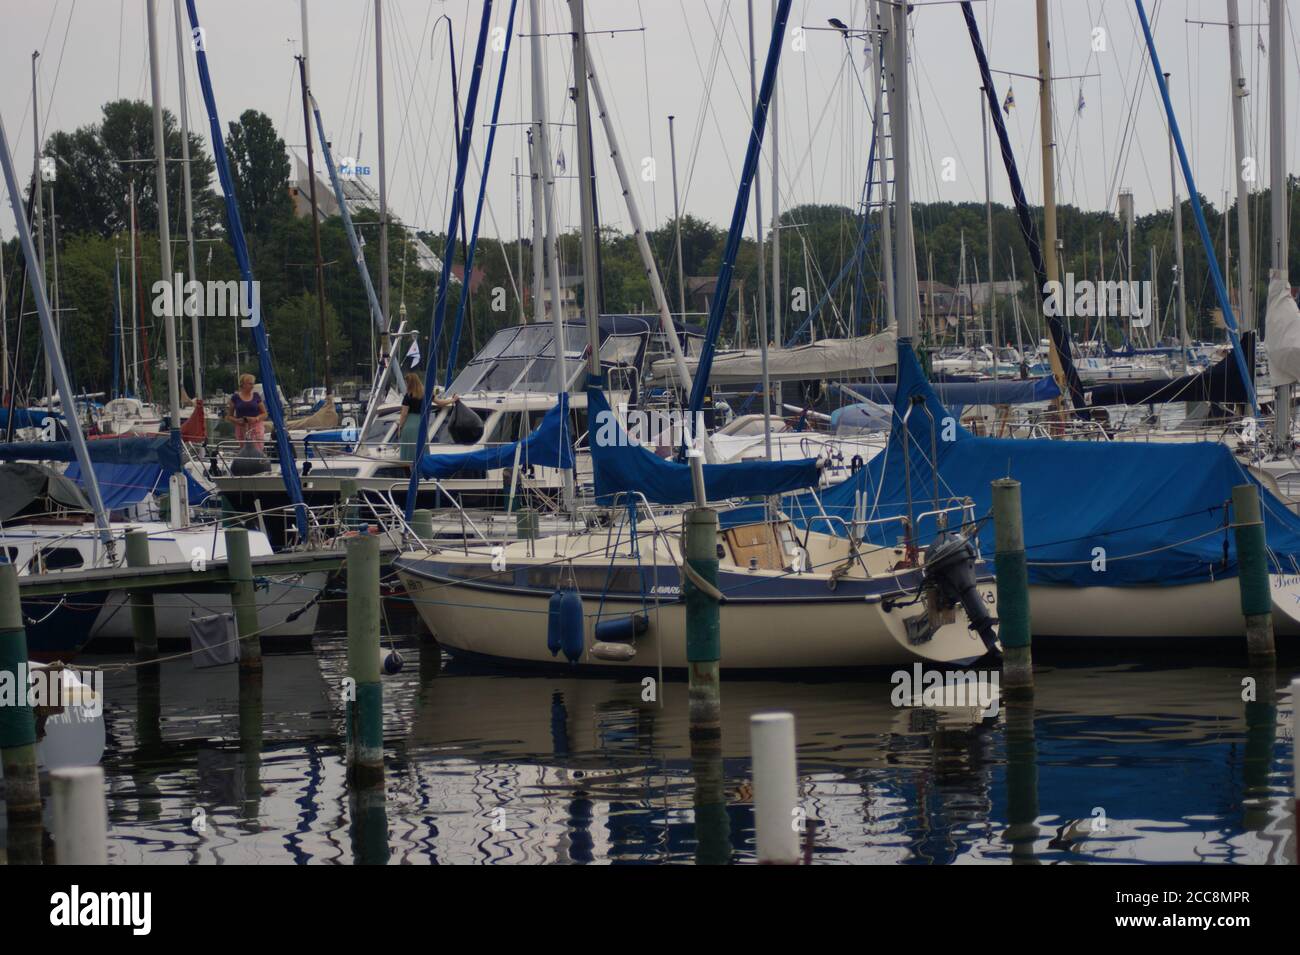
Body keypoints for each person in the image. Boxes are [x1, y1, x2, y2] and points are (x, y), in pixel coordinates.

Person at [397, 372, 457, 462]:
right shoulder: (426, 393)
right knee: (422, 451)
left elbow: (404, 414)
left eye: (406, 383)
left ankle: (411, 472)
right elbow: (440, 403)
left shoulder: (408, 396)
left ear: (410, 383)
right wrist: (453, 400)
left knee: (409, 455)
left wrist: (400, 427)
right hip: (421, 424)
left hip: (409, 424)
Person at [228, 374, 268, 450]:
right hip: (241, 428)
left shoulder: (256, 396)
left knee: (257, 450)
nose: (252, 386)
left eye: (253, 384)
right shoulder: (235, 397)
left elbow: (265, 414)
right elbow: (229, 416)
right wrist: (236, 420)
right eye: (250, 384)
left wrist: (256, 418)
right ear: (243, 384)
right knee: (244, 450)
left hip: (256, 427)